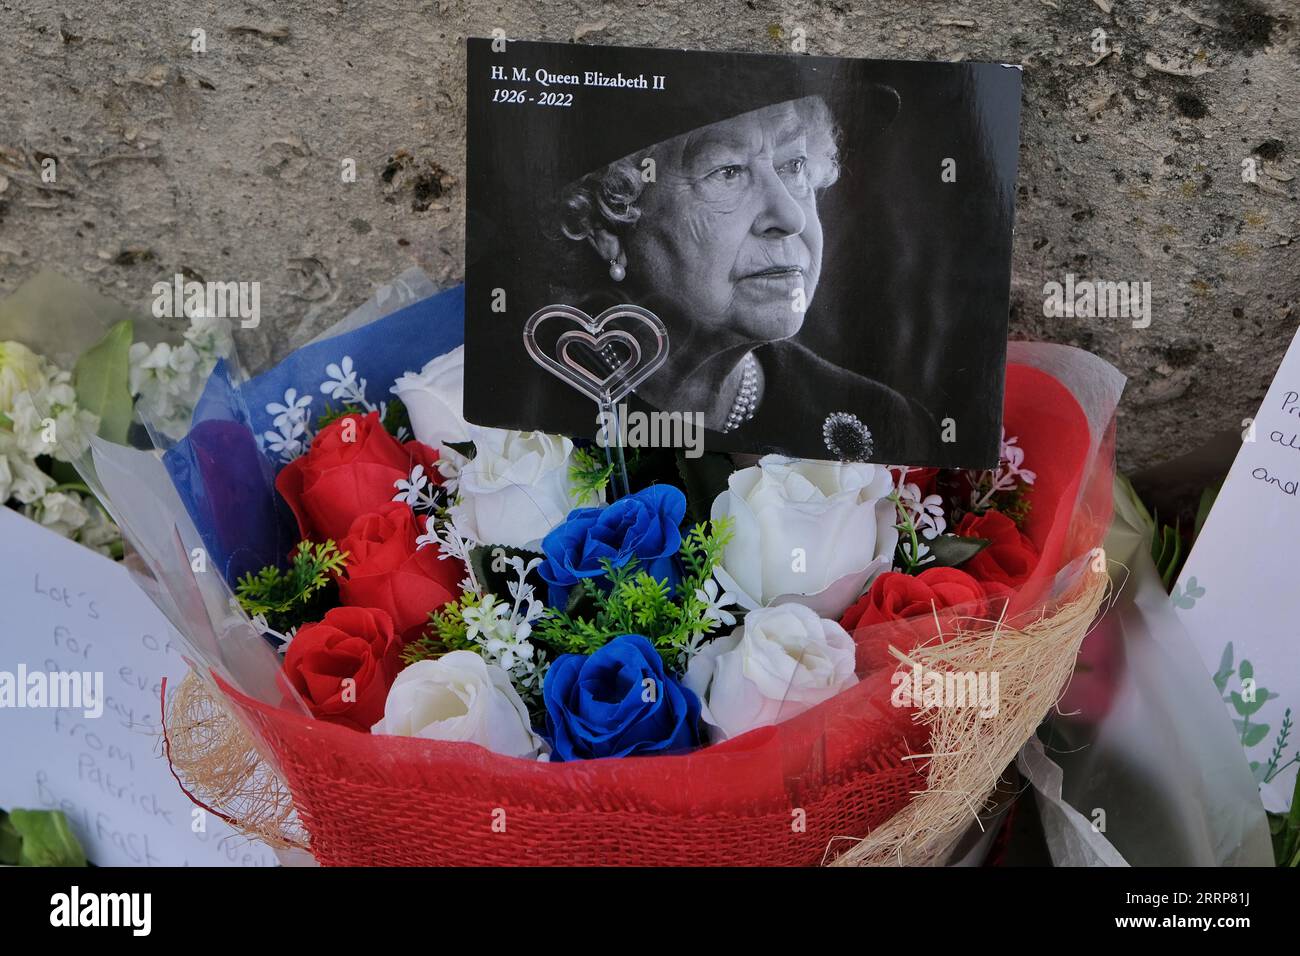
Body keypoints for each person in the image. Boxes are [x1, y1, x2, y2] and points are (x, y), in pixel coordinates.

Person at [556, 95, 934, 461]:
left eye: (794, 165)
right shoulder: (532, 417)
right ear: (607, 227)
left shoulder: (888, 428)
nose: (791, 218)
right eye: (728, 171)